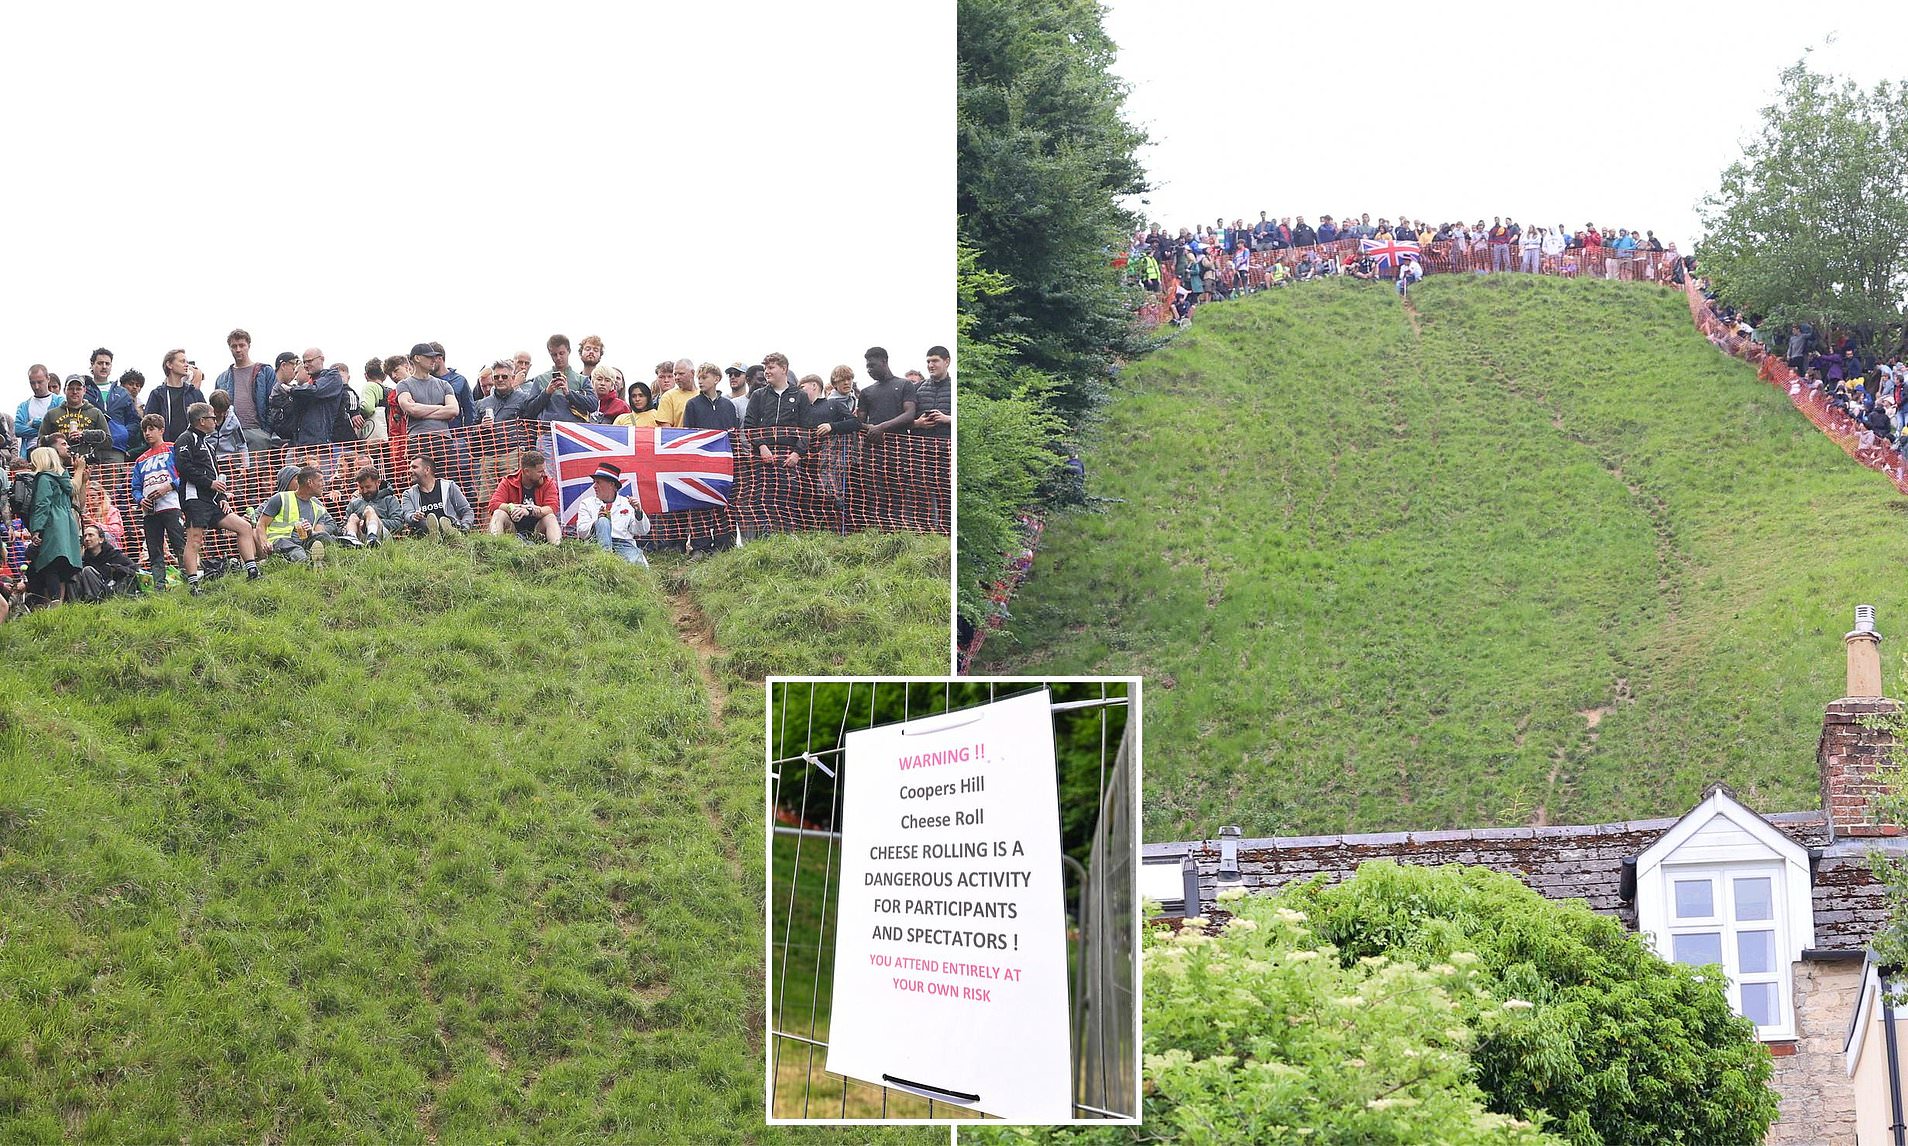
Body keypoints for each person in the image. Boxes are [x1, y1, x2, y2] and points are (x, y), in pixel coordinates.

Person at [175, 402, 263, 591]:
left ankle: (252, 572)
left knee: (244, 527)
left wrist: (222, 497)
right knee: (195, 539)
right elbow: (183, 467)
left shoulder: (207, 443)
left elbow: (215, 474)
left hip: (213, 500)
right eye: (212, 418)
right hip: (195, 498)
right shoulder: (185, 439)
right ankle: (194, 586)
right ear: (201, 421)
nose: (216, 421)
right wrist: (209, 484)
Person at [132, 414, 187, 591]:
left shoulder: (172, 449)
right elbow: (135, 487)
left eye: (151, 429)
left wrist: (169, 486)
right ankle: (159, 587)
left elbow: (185, 474)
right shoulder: (140, 460)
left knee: (179, 544)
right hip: (149, 511)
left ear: (161, 430)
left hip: (171, 505)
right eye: (145, 430)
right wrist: (140, 500)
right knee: (154, 550)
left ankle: (189, 579)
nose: (147, 433)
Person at [24, 446, 81, 604]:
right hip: (67, 524)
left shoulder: (44, 478)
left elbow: (42, 504)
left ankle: (54, 602)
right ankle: (60, 604)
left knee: (49, 564)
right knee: (62, 568)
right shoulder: (64, 478)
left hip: (52, 523)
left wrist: (36, 529)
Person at [572, 463, 650, 565]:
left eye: (598, 482)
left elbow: (643, 530)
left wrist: (638, 512)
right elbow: (581, 531)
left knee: (639, 564)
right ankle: (606, 561)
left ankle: (608, 562)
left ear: (612, 485)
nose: (594, 486)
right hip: (596, 543)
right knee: (603, 521)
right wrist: (597, 523)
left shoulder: (627, 503)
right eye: (594, 482)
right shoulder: (586, 503)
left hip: (623, 545)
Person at [213, 329, 277, 453]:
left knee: (258, 472)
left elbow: (274, 402)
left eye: (242, 345)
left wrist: (266, 432)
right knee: (233, 472)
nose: (238, 349)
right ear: (230, 348)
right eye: (234, 346)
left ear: (248, 346)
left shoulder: (264, 371)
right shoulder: (222, 378)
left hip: (257, 431)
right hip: (231, 434)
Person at [256, 466, 336, 564]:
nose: (323, 484)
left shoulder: (318, 507)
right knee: (296, 550)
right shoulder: (280, 498)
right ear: (310, 482)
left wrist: (311, 531)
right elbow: (261, 524)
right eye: (320, 481)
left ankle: (328, 563)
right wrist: (265, 543)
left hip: (303, 542)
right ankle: (307, 564)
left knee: (324, 536)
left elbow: (320, 531)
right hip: (280, 542)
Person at [485, 448, 561, 544]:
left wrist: (529, 510)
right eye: (540, 471)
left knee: (550, 517)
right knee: (498, 513)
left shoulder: (548, 483)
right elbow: (493, 504)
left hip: (537, 531)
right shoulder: (508, 482)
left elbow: (552, 508)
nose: (544, 474)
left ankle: (557, 550)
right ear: (527, 471)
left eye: (543, 470)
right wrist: (513, 507)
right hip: (513, 530)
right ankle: (495, 549)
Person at [41, 375, 117, 464]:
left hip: (89, 466)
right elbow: (41, 442)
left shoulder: (95, 413)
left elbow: (108, 442)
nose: (74, 392)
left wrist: (85, 435)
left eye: (78, 389)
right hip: (60, 467)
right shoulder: (51, 414)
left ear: (84, 390)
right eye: (71, 389)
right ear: (64, 390)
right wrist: (57, 439)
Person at [398, 452, 474, 538]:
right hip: (424, 534)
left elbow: (467, 511)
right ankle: (434, 534)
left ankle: (452, 534)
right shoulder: (408, 494)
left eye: (414, 467)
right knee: (423, 523)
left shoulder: (449, 487)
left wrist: (465, 527)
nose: (410, 471)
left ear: (427, 470)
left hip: (452, 527)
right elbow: (407, 514)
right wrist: (413, 516)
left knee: (447, 524)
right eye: (410, 467)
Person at [524, 335, 597, 423]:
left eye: (561, 353)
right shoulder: (540, 379)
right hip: (547, 431)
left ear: (569, 351)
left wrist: (569, 393)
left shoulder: (582, 380)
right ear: (550, 354)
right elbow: (528, 411)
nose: (558, 358)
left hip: (574, 432)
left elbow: (593, 405)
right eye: (554, 354)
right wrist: (547, 393)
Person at [144, 349, 207, 442]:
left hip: (192, 447)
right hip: (166, 447)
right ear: (169, 364)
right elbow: (148, 423)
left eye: (186, 362)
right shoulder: (157, 394)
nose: (186, 365)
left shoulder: (194, 393)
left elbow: (206, 419)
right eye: (182, 361)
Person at [339, 465, 402, 547]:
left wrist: (373, 521)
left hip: (383, 536)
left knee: (369, 511)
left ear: (378, 483)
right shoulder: (354, 503)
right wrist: (357, 524)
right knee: (353, 517)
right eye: (361, 487)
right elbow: (342, 526)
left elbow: (398, 523)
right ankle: (351, 539)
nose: (365, 491)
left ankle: (373, 538)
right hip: (360, 536)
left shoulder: (389, 500)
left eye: (368, 487)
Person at [77, 522, 141, 599]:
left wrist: (117, 569)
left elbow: (136, 571)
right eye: (85, 536)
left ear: (101, 539)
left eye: (91, 535)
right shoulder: (84, 560)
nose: (87, 539)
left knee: (88, 570)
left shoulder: (114, 555)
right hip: (93, 592)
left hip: (114, 592)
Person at [16, 365, 62, 456]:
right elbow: (18, 429)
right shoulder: (24, 406)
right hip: (31, 452)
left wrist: (34, 422)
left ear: (48, 379)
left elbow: (59, 426)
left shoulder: (59, 401)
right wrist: (46, 432)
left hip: (54, 452)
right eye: (32, 383)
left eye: (40, 382)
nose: (36, 386)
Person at [682, 363, 741, 431]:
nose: (700, 381)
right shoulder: (692, 404)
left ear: (716, 379)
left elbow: (733, 432)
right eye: (699, 378)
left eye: (704, 378)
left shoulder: (728, 405)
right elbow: (688, 433)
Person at [478, 359, 536, 423]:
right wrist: (481, 426)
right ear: (493, 379)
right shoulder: (482, 404)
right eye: (496, 377)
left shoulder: (524, 399)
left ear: (513, 378)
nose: (500, 379)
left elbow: (532, 423)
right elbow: (472, 429)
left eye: (504, 377)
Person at [913, 347, 952, 439]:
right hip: (920, 448)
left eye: (935, 361)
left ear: (947, 362)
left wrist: (947, 419)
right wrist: (917, 423)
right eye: (928, 362)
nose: (930, 365)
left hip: (947, 448)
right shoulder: (916, 388)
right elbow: (902, 417)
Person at [79, 474, 125, 551]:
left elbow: (118, 531)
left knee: (106, 535)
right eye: (87, 497)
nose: (89, 500)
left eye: (93, 497)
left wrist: (93, 523)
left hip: (110, 548)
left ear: (101, 497)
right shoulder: (85, 513)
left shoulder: (111, 511)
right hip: (89, 547)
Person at [654, 358, 697, 428]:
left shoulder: (704, 395)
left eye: (681, 374)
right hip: (680, 438)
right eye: (675, 374)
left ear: (692, 373)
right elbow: (666, 431)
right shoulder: (668, 397)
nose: (677, 377)